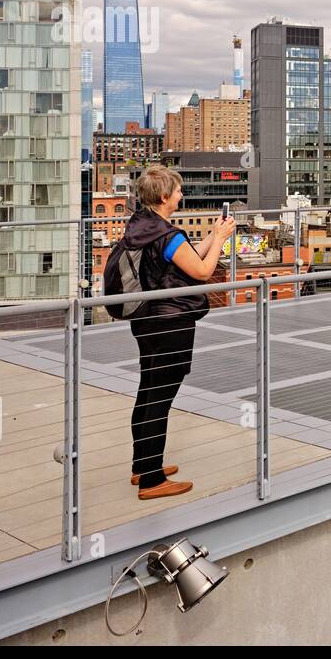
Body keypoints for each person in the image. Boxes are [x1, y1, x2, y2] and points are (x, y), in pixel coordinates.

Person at [121, 165, 234, 500]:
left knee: (147, 390)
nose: (182, 195)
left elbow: (185, 258)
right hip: (170, 324)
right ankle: (152, 481)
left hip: (147, 321)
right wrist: (224, 241)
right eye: (179, 191)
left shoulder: (142, 227)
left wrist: (213, 235)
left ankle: (143, 465)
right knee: (160, 397)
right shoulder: (167, 236)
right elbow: (201, 270)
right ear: (165, 196)